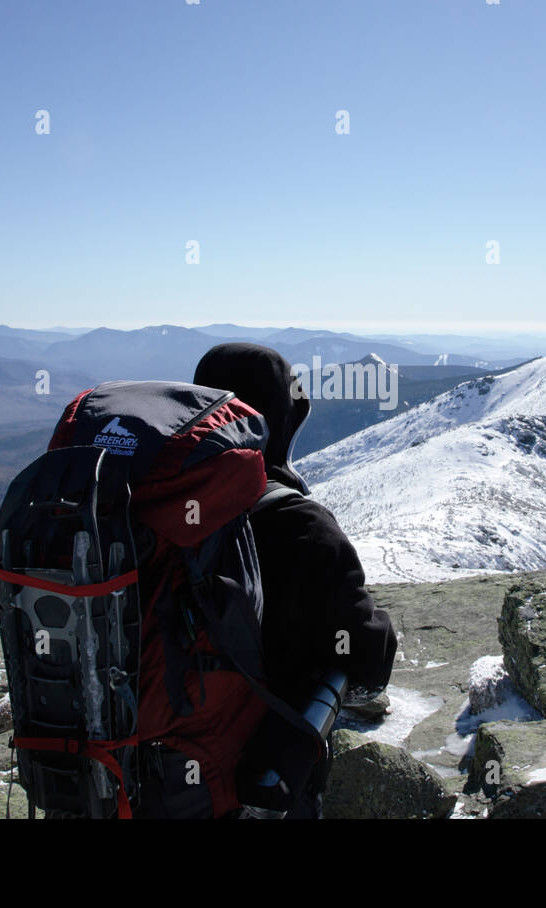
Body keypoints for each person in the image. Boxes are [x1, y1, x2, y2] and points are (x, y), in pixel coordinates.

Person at [193, 342, 398, 818]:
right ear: (280, 421)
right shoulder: (298, 524)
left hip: (132, 762)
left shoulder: (144, 501)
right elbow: (367, 657)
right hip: (250, 779)